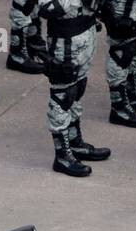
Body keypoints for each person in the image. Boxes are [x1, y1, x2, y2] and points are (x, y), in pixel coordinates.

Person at [42, 0, 111, 176]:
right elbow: (46, 7)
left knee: (77, 89)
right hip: (65, 38)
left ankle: (74, 142)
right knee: (63, 95)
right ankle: (62, 155)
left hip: (86, 30)